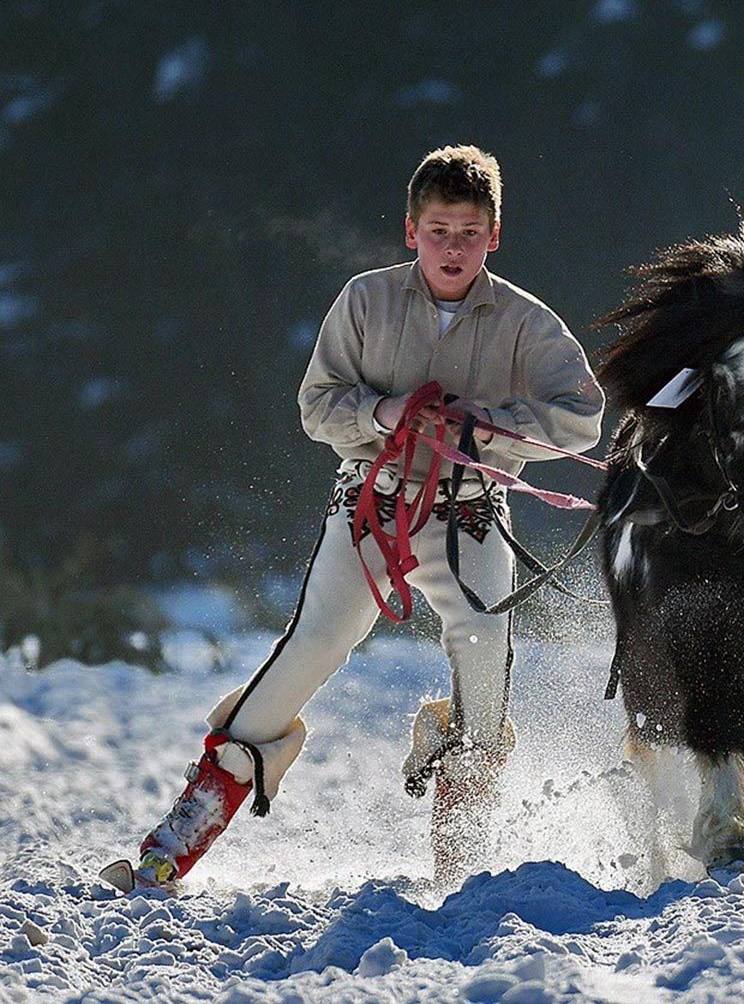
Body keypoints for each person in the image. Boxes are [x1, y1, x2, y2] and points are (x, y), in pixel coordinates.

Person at [124, 144, 604, 888]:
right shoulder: (364, 299)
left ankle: (462, 850)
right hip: (369, 506)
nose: (454, 247)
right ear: (411, 231)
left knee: (485, 663)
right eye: (439, 230)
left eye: (469, 232)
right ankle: (189, 826)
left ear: (495, 236)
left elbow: (582, 421)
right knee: (310, 646)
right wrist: (384, 411)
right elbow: (317, 405)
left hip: (474, 515)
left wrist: (484, 425)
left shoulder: (527, 322)